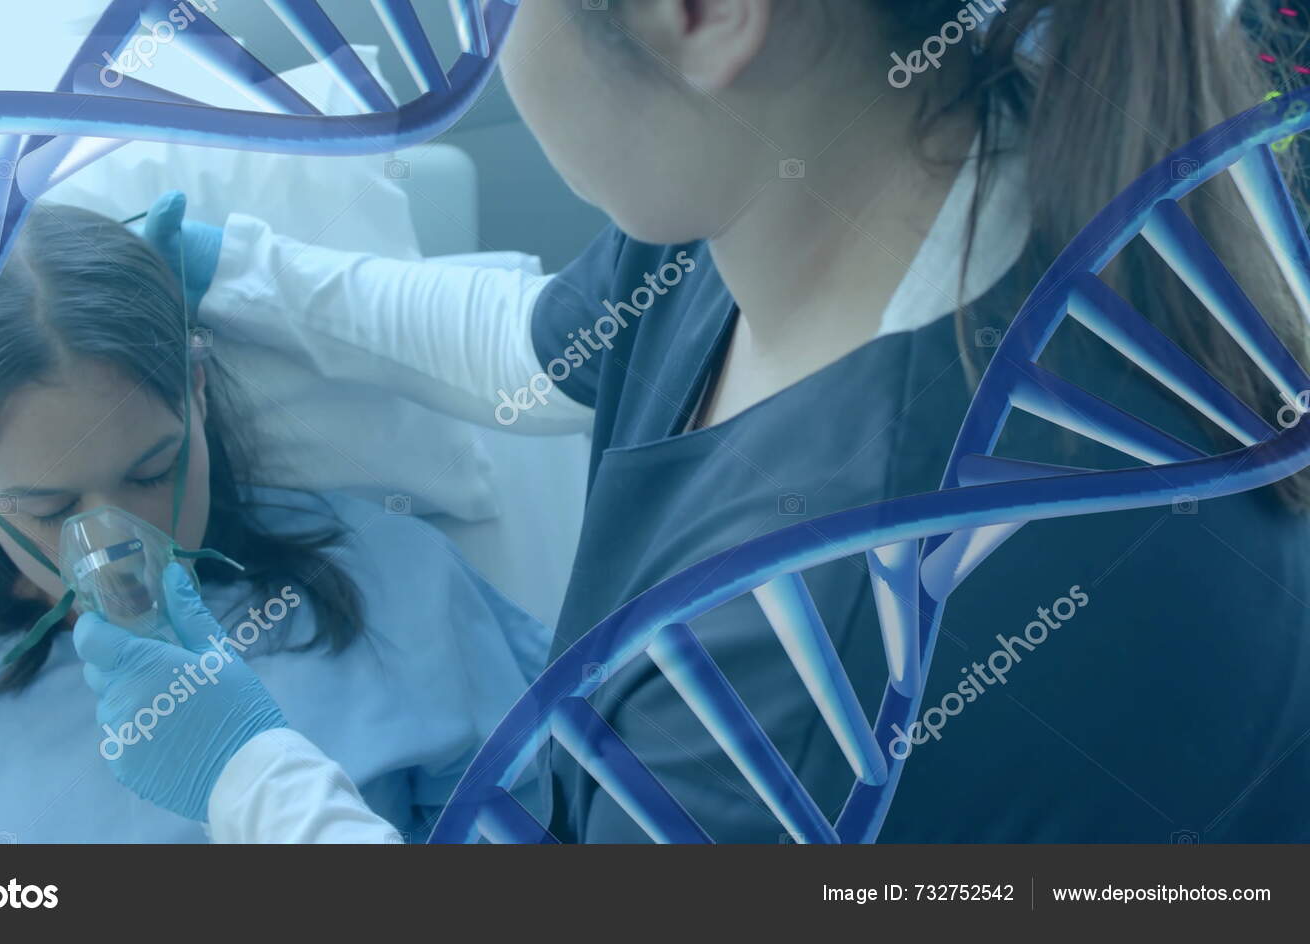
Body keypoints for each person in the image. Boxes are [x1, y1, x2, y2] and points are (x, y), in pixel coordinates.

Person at [79, 0, 1310, 842]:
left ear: (706, 15)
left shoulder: (827, 634)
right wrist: (242, 270)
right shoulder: (848, 166)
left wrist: (241, 764)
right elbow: (546, 347)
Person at [0, 201, 549, 843]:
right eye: (50, 509)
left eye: (152, 472)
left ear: (198, 389)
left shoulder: (392, 585)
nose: (116, 545)